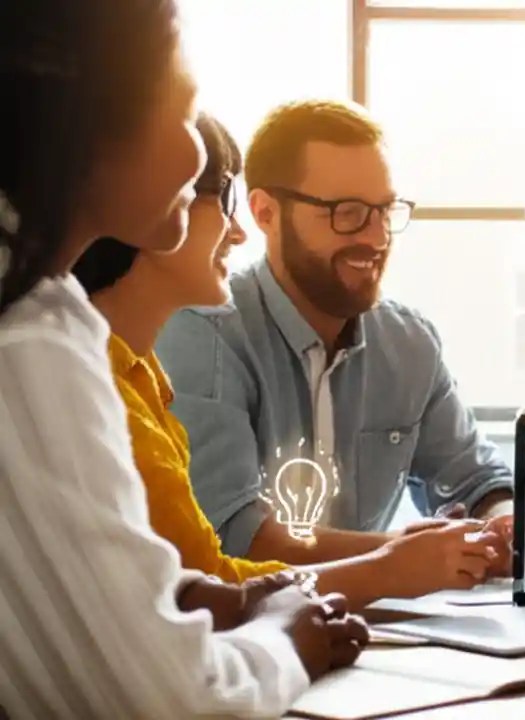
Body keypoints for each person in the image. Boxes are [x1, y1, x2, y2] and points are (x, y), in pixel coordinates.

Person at [0, 2, 366, 717]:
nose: (198, 154)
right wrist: (286, 636)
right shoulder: (33, 348)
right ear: (88, 122)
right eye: (184, 113)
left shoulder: (56, 326)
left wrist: (191, 596)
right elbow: (168, 700)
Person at [71, 113, 502, 607]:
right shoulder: (190, 336)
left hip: (343, 637)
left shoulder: (408, 342)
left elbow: (476, 479)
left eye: (385, 210)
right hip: (262, 635)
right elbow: (225, 556)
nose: (378, 236)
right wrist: (399, 564)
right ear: (266, 212)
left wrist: (501, 520)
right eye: (347, 212)